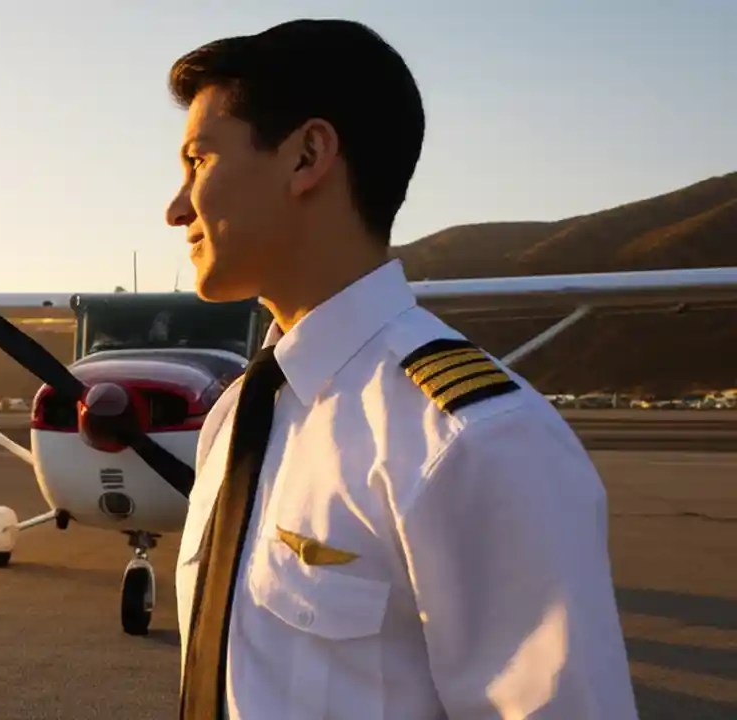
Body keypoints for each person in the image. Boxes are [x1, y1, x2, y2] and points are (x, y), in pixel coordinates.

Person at [163, 19, 638, 719]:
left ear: (307, 157)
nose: (176, 209)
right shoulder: (237, 415)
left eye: (199, 161)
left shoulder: (475, 441)